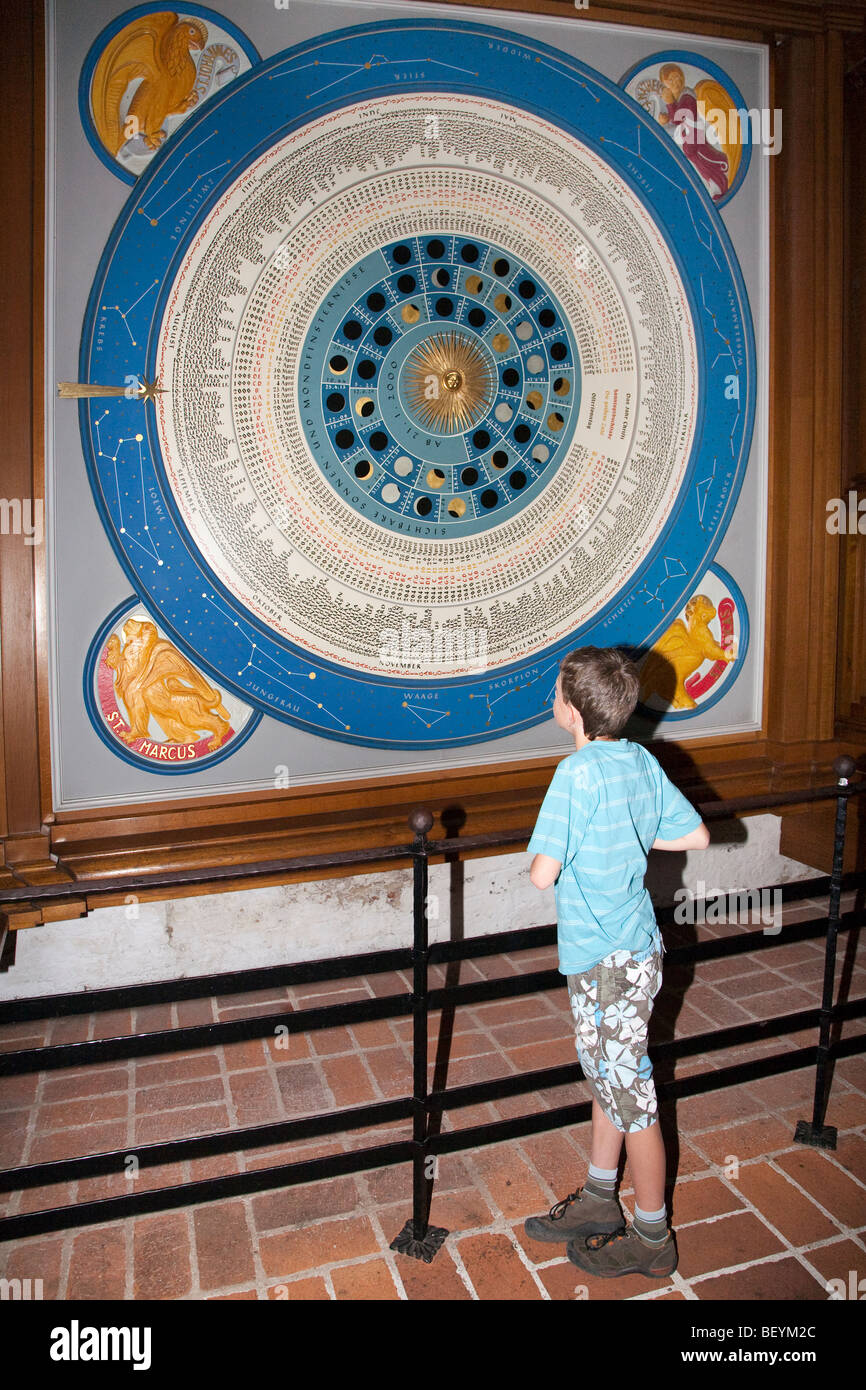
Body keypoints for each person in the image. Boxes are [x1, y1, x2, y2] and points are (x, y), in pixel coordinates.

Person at [523, 646, 710, 1278]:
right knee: (612, 1075)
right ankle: (601, 1199)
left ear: (572, 712)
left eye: (556, 694)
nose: (553, 702)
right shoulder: (641, 761)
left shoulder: (572, 776)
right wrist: (628, 831)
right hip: (637, 951)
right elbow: (695, 835)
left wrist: (566, 848)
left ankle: (654, 1237)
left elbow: (542, 876)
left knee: (632, 1096)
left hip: (603, 961)